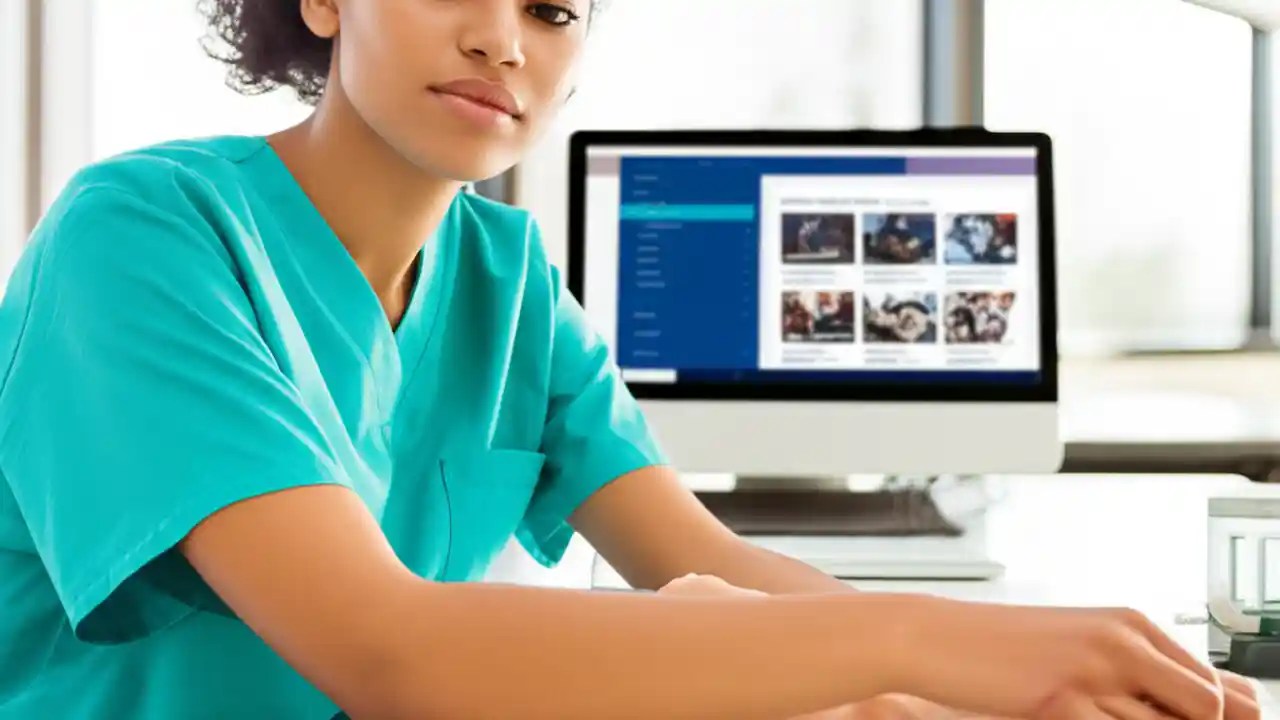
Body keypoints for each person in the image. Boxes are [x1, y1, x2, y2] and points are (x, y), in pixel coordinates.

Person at [0, 1, 1259, 718]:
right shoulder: (144, 235)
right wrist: (917, 642)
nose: (506, 42)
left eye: (553, 11)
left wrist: (1023, 683)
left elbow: (705, 565)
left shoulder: (508, 283)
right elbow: (388, 651)